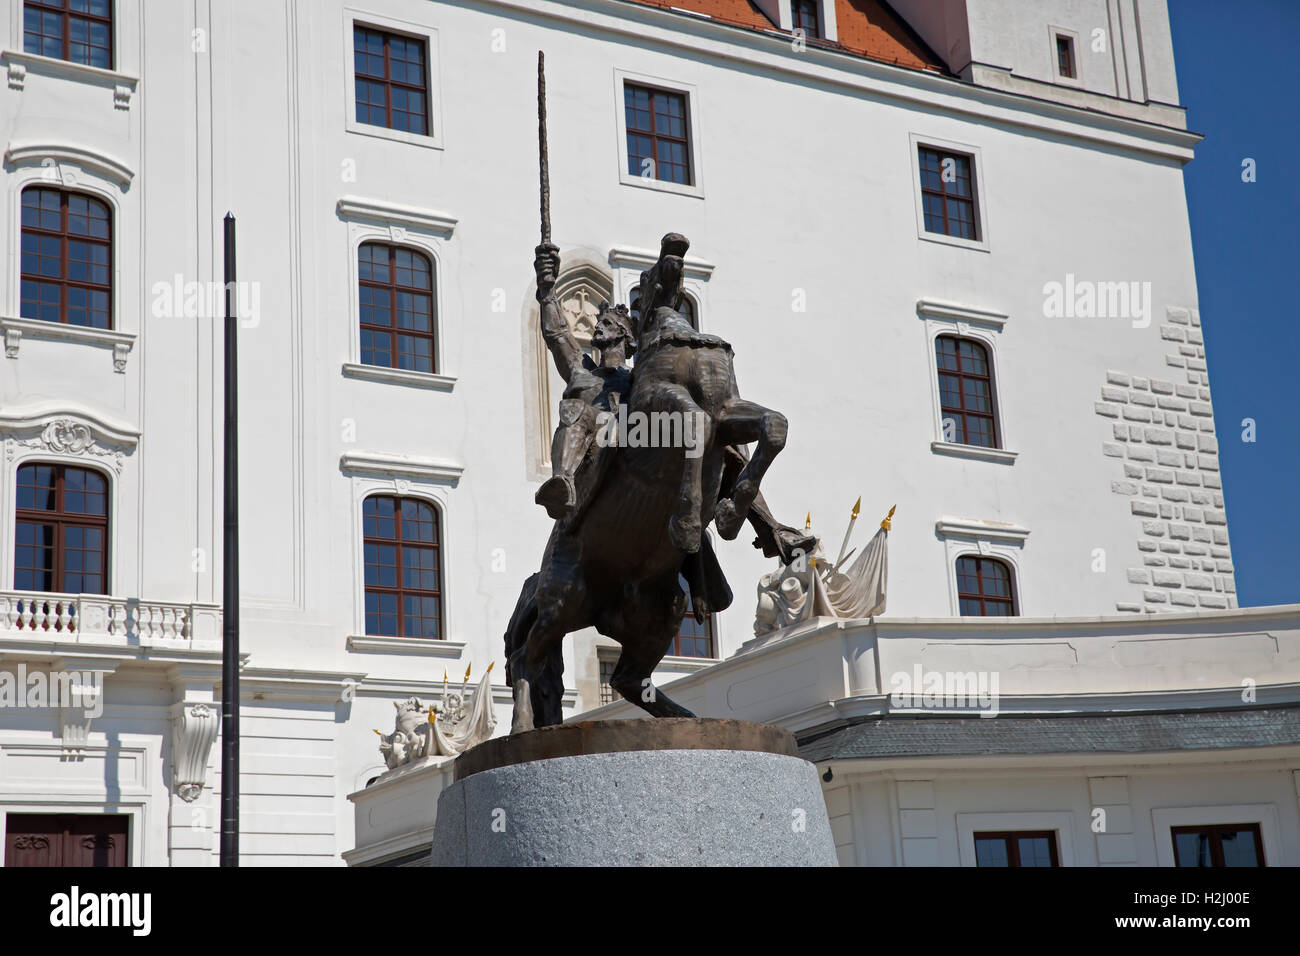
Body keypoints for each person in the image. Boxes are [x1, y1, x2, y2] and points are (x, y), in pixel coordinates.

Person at [533, 242, 635, 519]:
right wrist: (547, 291)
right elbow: (558, 336)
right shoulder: (582, 370)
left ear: (627, 337)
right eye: (598, 322)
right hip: (590, 446)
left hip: (633, 440)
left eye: (609, 323)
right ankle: (562, 483)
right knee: (573, 408)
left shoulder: (635, 377)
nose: (598, 325)